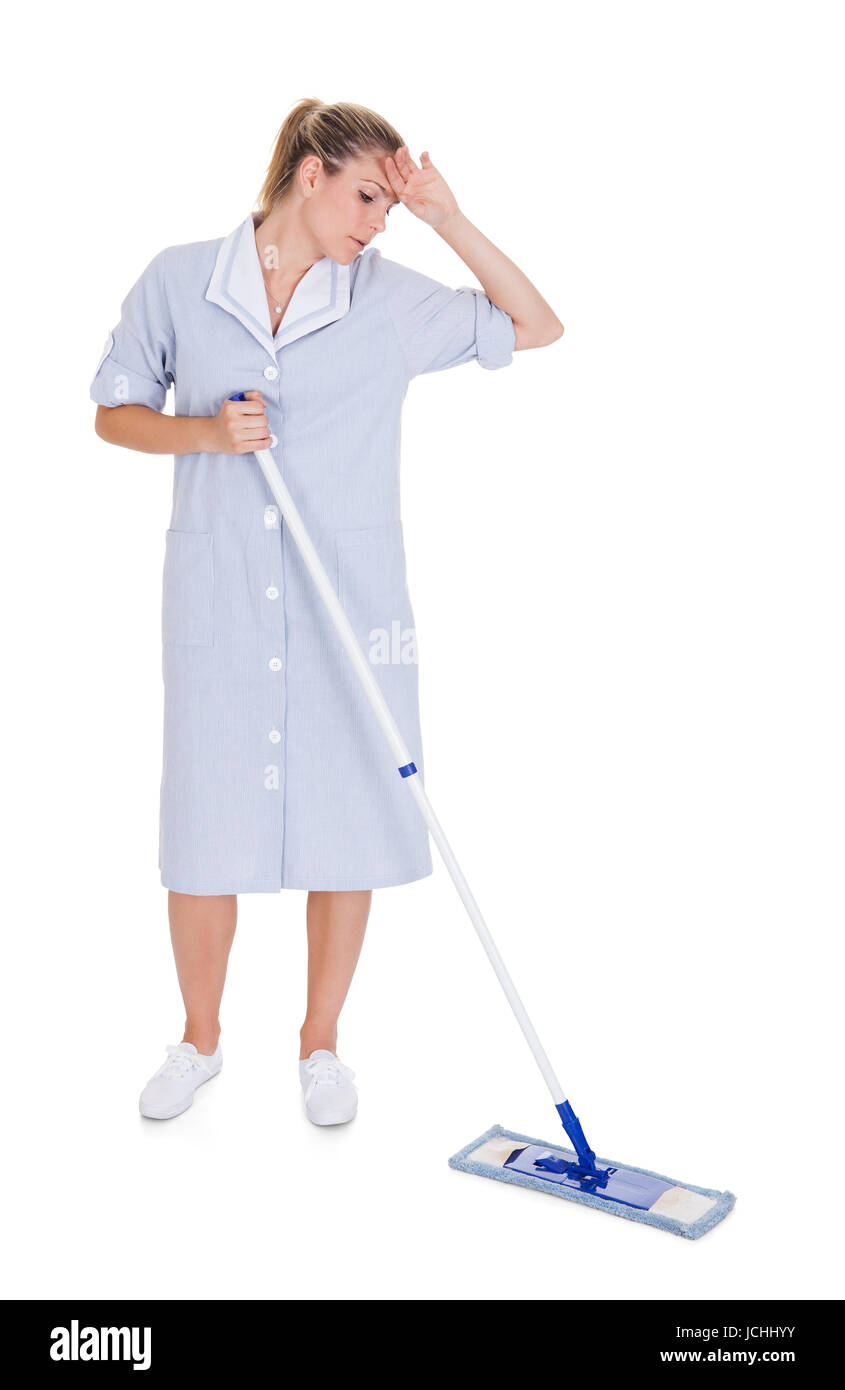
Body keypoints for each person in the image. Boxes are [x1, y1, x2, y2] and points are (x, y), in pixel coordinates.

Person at [91, 98, 563, 1127]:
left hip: (351, 607)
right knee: (205, 826)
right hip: (219, 605)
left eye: (388, 209)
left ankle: (320, 1045)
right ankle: (199, 1039)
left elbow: (535, 324)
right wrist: (207, 436)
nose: (374, 223)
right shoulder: (181, 279)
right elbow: (112, 413)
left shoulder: (384, 299)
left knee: (344, 822)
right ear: (308, 173)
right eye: (366, 197)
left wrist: (445, 218)